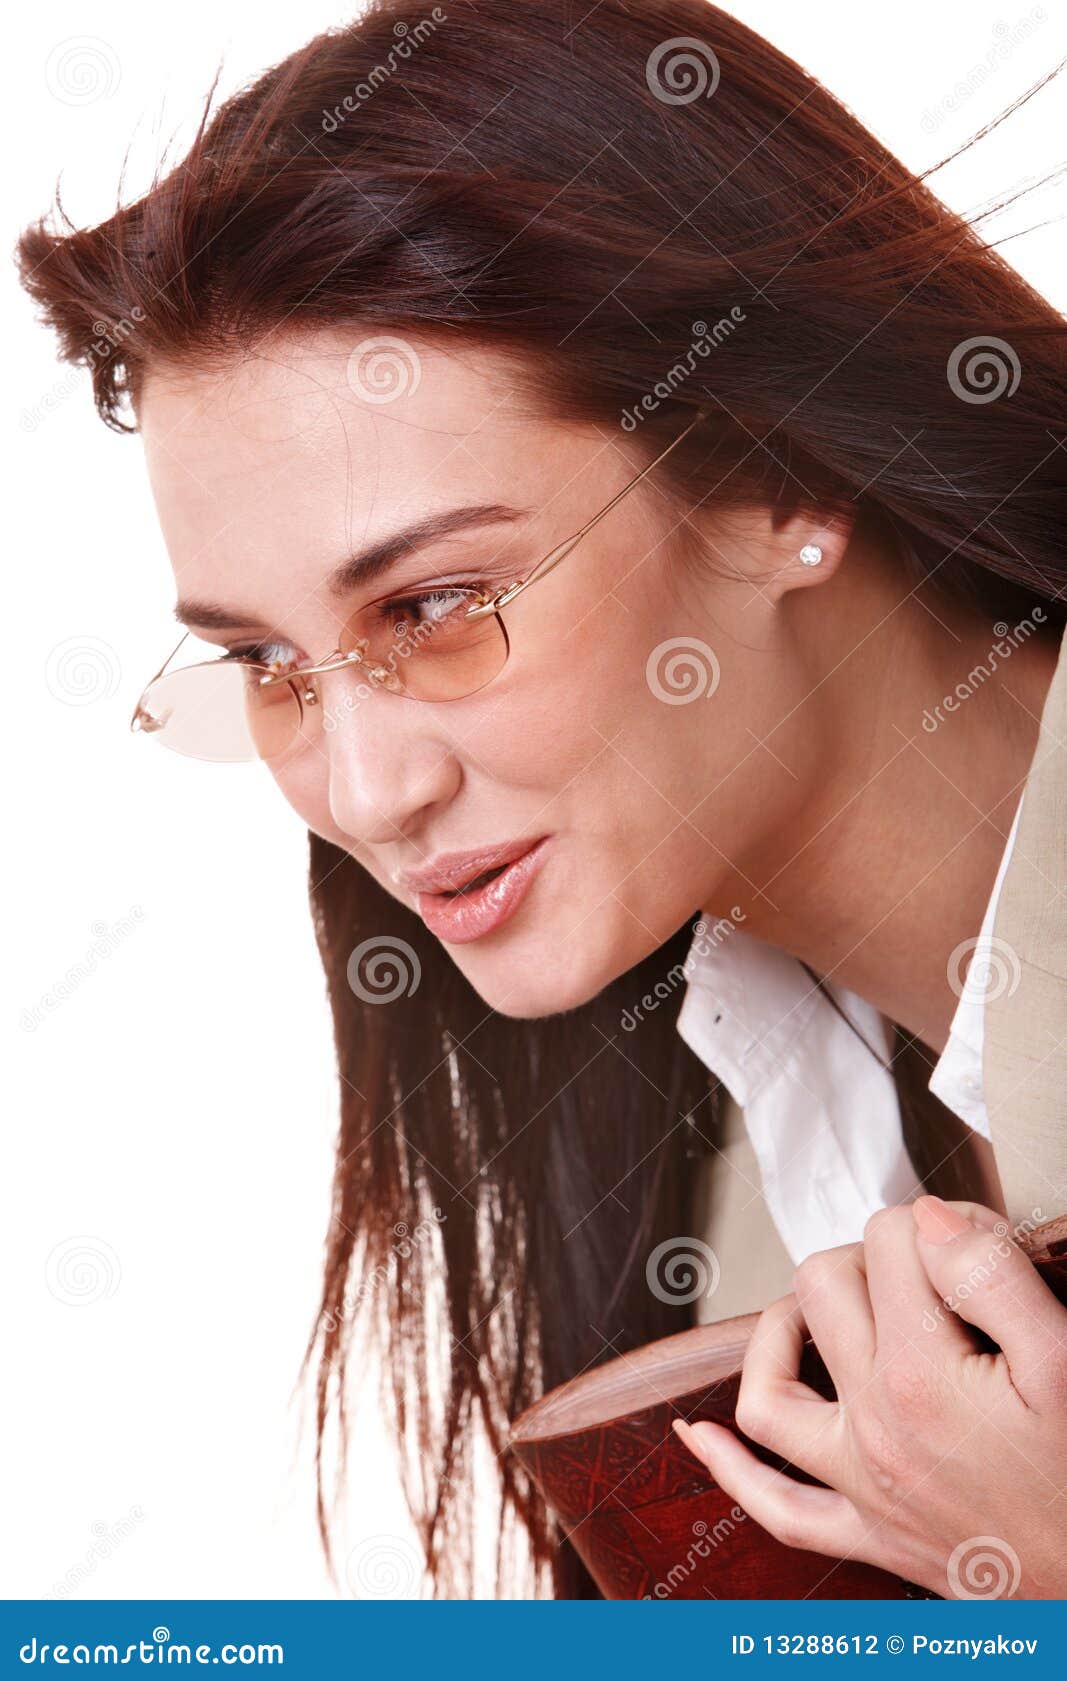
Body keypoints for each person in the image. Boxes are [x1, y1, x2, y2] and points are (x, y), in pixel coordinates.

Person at [18, 0, 1067, 1598]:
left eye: (436, 605)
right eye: (266, 662)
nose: (365, 790)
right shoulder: (709, 1180)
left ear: (780, 480)